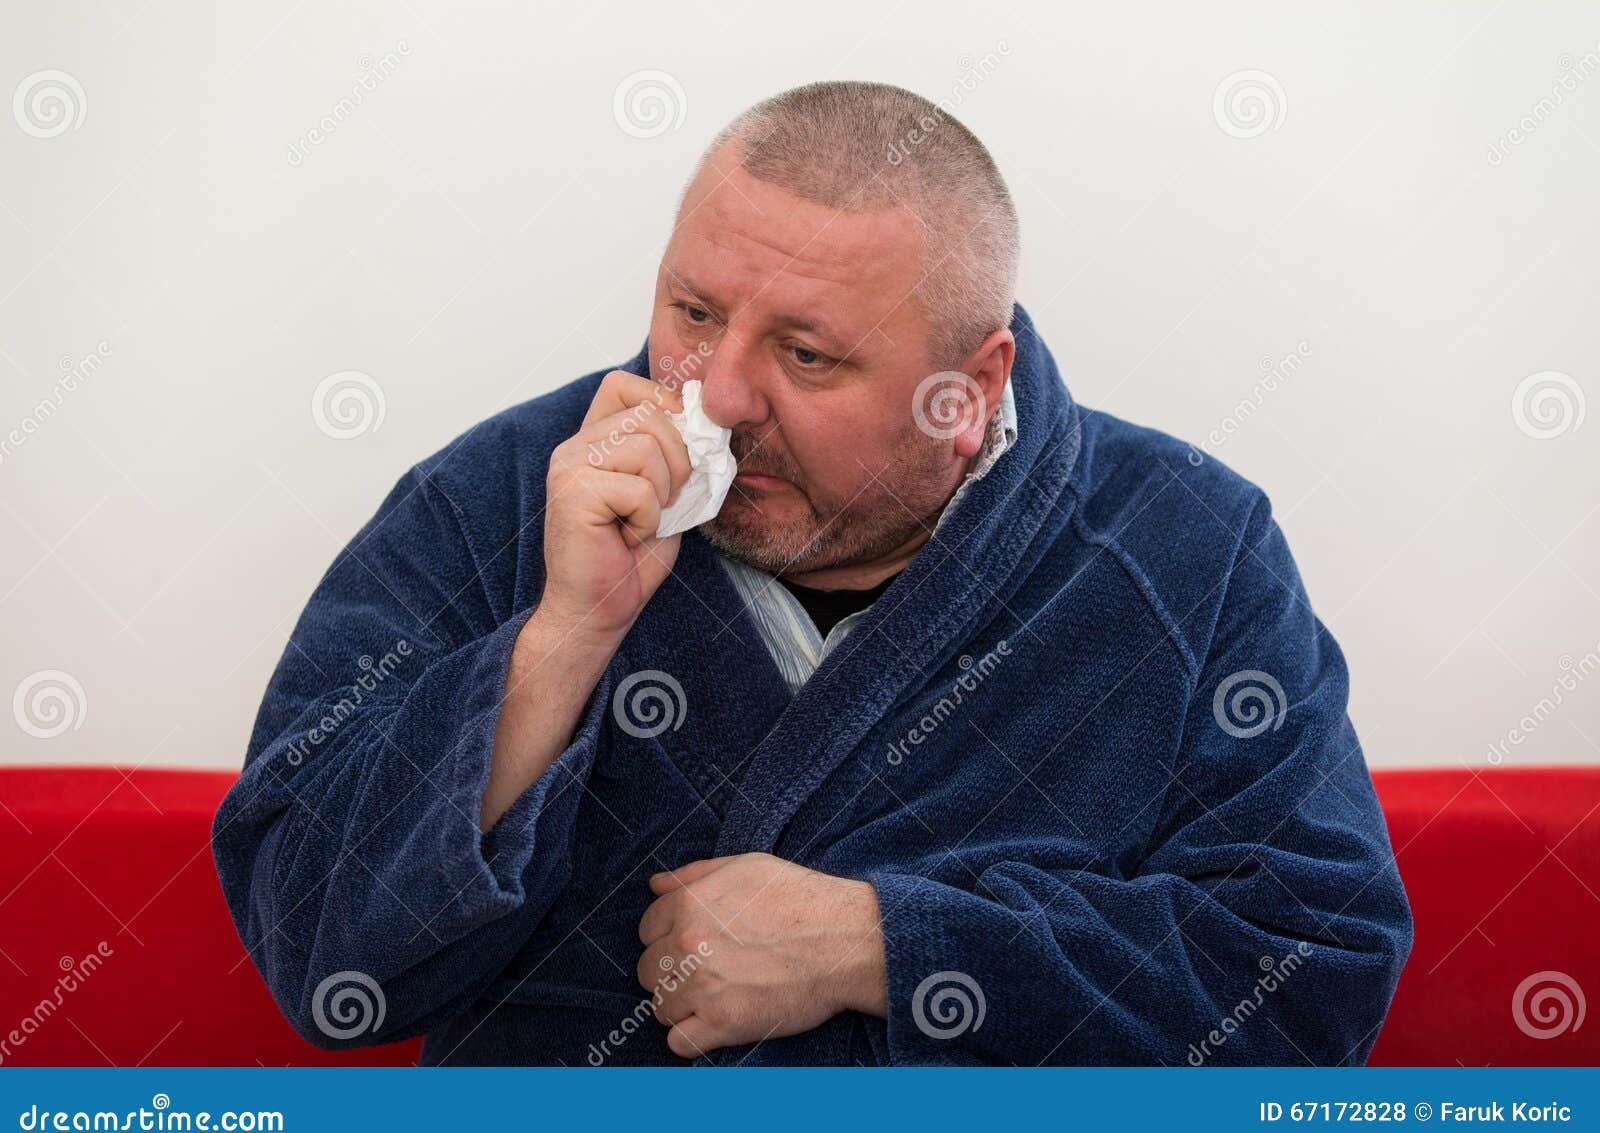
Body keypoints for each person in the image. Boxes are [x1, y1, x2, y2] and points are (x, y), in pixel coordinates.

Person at [212, 80, 1412, 1065]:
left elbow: (1311, 973)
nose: (717, 395)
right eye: (692, 310)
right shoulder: (500, 497)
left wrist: (891, 946)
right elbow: (327, 962)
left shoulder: (1183, 545)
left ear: (972, 386)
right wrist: (560, 643)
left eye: (806, 353)